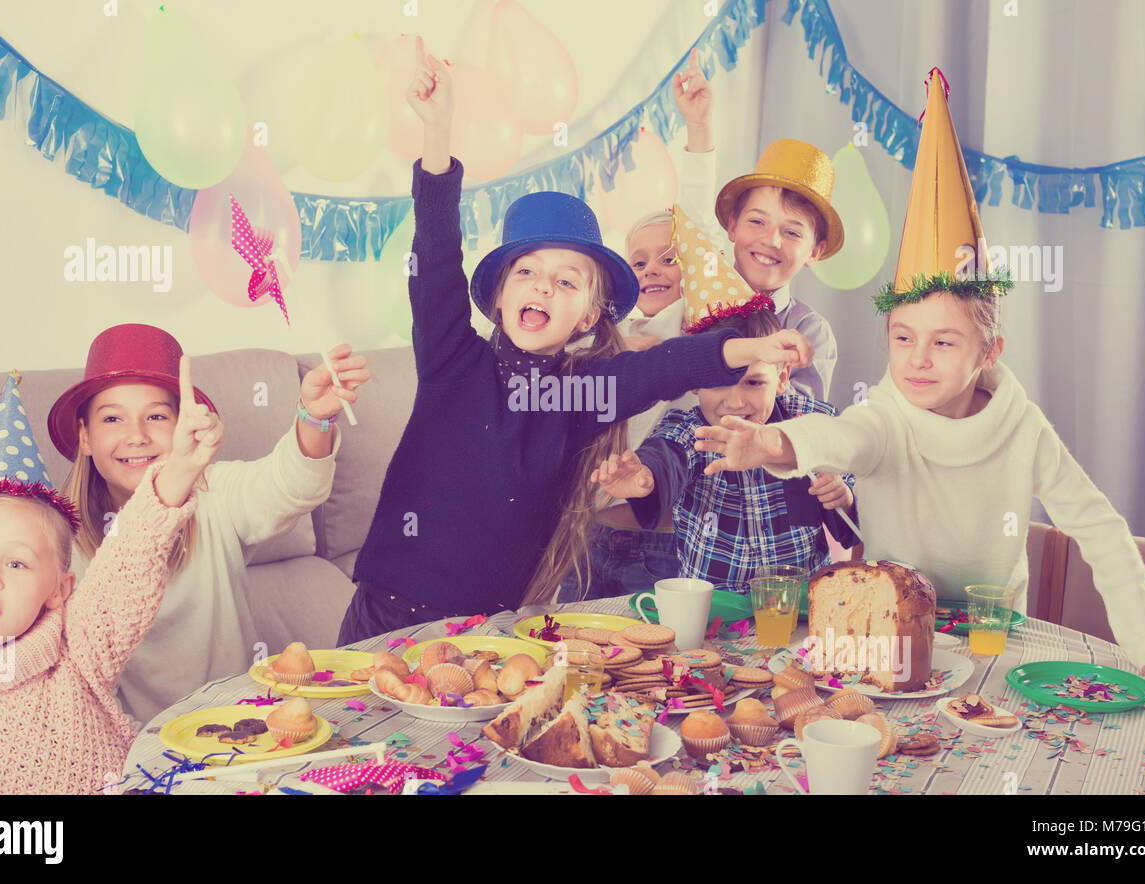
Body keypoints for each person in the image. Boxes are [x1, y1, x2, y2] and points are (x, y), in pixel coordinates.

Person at [694, 69, 1145, 685]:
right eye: (902, 339)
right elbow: (838, 438)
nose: (917, 359)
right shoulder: (885, 416)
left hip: (993, 636)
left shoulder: (1021, 427)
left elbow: (1098, 527)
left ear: (989, 352)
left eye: (944, 341)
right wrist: (770, 442)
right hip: (886, 628)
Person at [337, 42, 814, 645]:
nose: (543, 287)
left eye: (566, 282)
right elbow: (434, 256)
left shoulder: (582, 395)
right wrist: (437, 136)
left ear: (588, 315)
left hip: (490, 632)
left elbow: (662, 370)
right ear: (500, 294)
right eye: (527, 273)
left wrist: (748, 351)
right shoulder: (450, 360)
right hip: (387, 614)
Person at [47, 324, 369, 724]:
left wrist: (314, 419)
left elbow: (291, 486)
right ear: (85, 437)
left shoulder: (215, 493)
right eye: (113, 419)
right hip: (133, 746)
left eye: (157, 416)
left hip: (236, 722)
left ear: (187, 425)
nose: (136, 436)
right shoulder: (59, 536)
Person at [0, 369, 211, 793]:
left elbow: (127, 565)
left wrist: (179, 470)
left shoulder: (79, 652)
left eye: (17, 564)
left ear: (59, 589)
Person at [557, 47, 721, 602]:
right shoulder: (605, 330)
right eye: (639, 260)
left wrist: (697, 130)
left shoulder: (698, 324)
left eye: (668, 258)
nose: (653, 268)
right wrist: (615, 341)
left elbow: (696, 230)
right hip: (585, 537)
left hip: (661, 545)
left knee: (648, 668)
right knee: (576, 657)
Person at [594, 299, 860, 593]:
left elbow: (854, 523)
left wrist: (843, 497)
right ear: (693, 382)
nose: (735, 403)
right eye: (718, 383)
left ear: (782, 378)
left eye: (754, 383)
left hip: (794, 608)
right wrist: (647, 476)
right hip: (713, 613)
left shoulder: (810, 421)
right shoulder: (691, 430)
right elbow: (668, 453)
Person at [712, 138, 846, 401]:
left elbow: (802, 419)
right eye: (757, 221)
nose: (772, 240)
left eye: (792, 232)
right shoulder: (697, 300)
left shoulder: (810, 331)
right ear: (732, 226)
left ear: (814, 252)